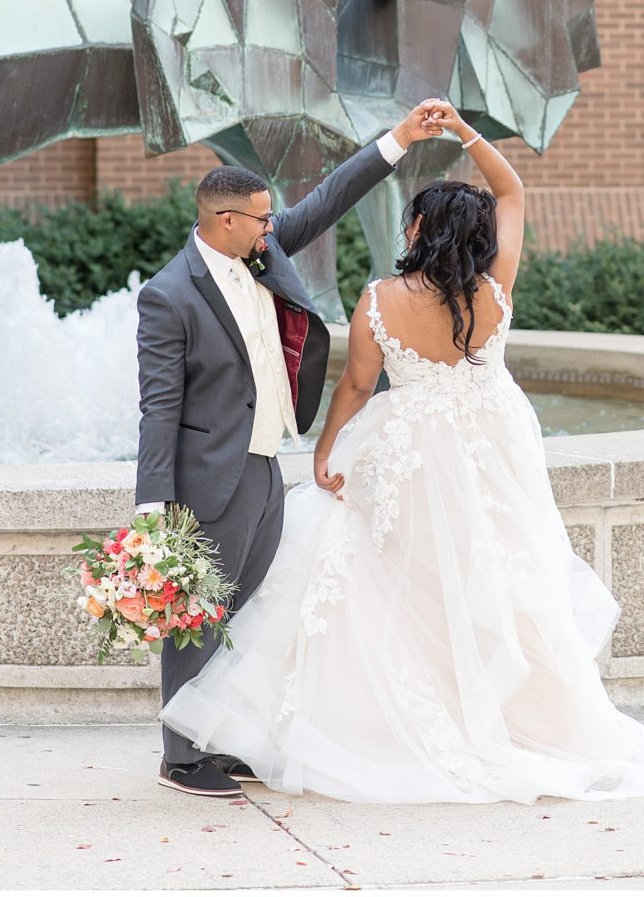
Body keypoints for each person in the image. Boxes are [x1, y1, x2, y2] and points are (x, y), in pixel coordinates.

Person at [159, 100, 644, 805]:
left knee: (380, 583)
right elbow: (513, 192)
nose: (270, 227)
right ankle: (495, 717)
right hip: (491, 457)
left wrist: (327, 448)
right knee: (487, 580)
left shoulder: (380, 300)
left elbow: (357, 384)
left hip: (403, 452)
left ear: (419, 229)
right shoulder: (496, 289)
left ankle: (380, 725)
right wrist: (464, 132)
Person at [135, 100, 446, 797]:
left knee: (246, 603)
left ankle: (224, 735)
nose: (273, 226)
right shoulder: (167, 297)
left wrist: (398, 138)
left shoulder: (263, 250)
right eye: (260, 218)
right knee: (198, 611)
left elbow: (327, 198)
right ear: (225, 222)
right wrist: (153, 505)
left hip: (265, 463)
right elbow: (158, 407)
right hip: (207, 475)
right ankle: (181, 756)